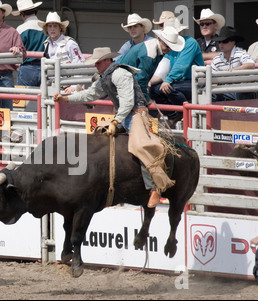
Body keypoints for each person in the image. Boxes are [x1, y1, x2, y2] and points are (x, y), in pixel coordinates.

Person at [53, 47, 175, 208]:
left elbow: (128, 102)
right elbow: (90, 94)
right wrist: (66, 99)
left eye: (97, 62)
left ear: (106, 60)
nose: (95, 66)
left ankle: (154, 187)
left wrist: (116, 121)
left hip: (136, 115)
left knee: (141, 146)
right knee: (99, 133)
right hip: (124, 116)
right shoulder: (106, 77)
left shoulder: (120, 74)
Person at [148, 17, 204, 128]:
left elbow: (181, 66)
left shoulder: (190, 43)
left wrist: (168, 80)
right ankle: (173, 115)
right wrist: (148, 82)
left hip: (197, 82)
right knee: (154, 89)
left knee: (171, 88)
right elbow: (163, 69)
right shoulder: (170, 46)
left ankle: (183, 114)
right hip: (182, 82)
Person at [117, 25, 185, 102]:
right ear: (160, 39)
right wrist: (146, 99)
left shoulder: (155, 48)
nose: (170, 49)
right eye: (167, 46)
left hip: (124, 81)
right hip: (121, 83)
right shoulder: (150, 55)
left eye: (172, 47)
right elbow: (140, 80)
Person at [39, 11, 85, 93]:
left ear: (60, 28)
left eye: (55, 26)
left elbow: (80, 66)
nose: (52, 29)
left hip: (68, 88)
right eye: (49, 26)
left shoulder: (70, 43)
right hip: (53, 86)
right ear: (46, 29)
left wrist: (74, 86)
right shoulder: (46, 44)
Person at [211, 26, 256, 101]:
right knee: (212, 93)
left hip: (242, 90)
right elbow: (212, 80)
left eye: (225, 41)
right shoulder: (216, 59)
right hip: (224, 92)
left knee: (242, 93)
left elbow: (251, 64)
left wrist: (233, 70)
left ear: (233, 42)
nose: (221, 44)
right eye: (219, 42)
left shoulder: (240, 53)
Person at [13, 0, 46, 87]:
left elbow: (17, 49)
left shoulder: (21, 29)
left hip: (26, 68)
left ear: (22, 13)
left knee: (24, 98)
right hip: (44, 67)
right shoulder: (45, 27)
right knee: (44, 98)